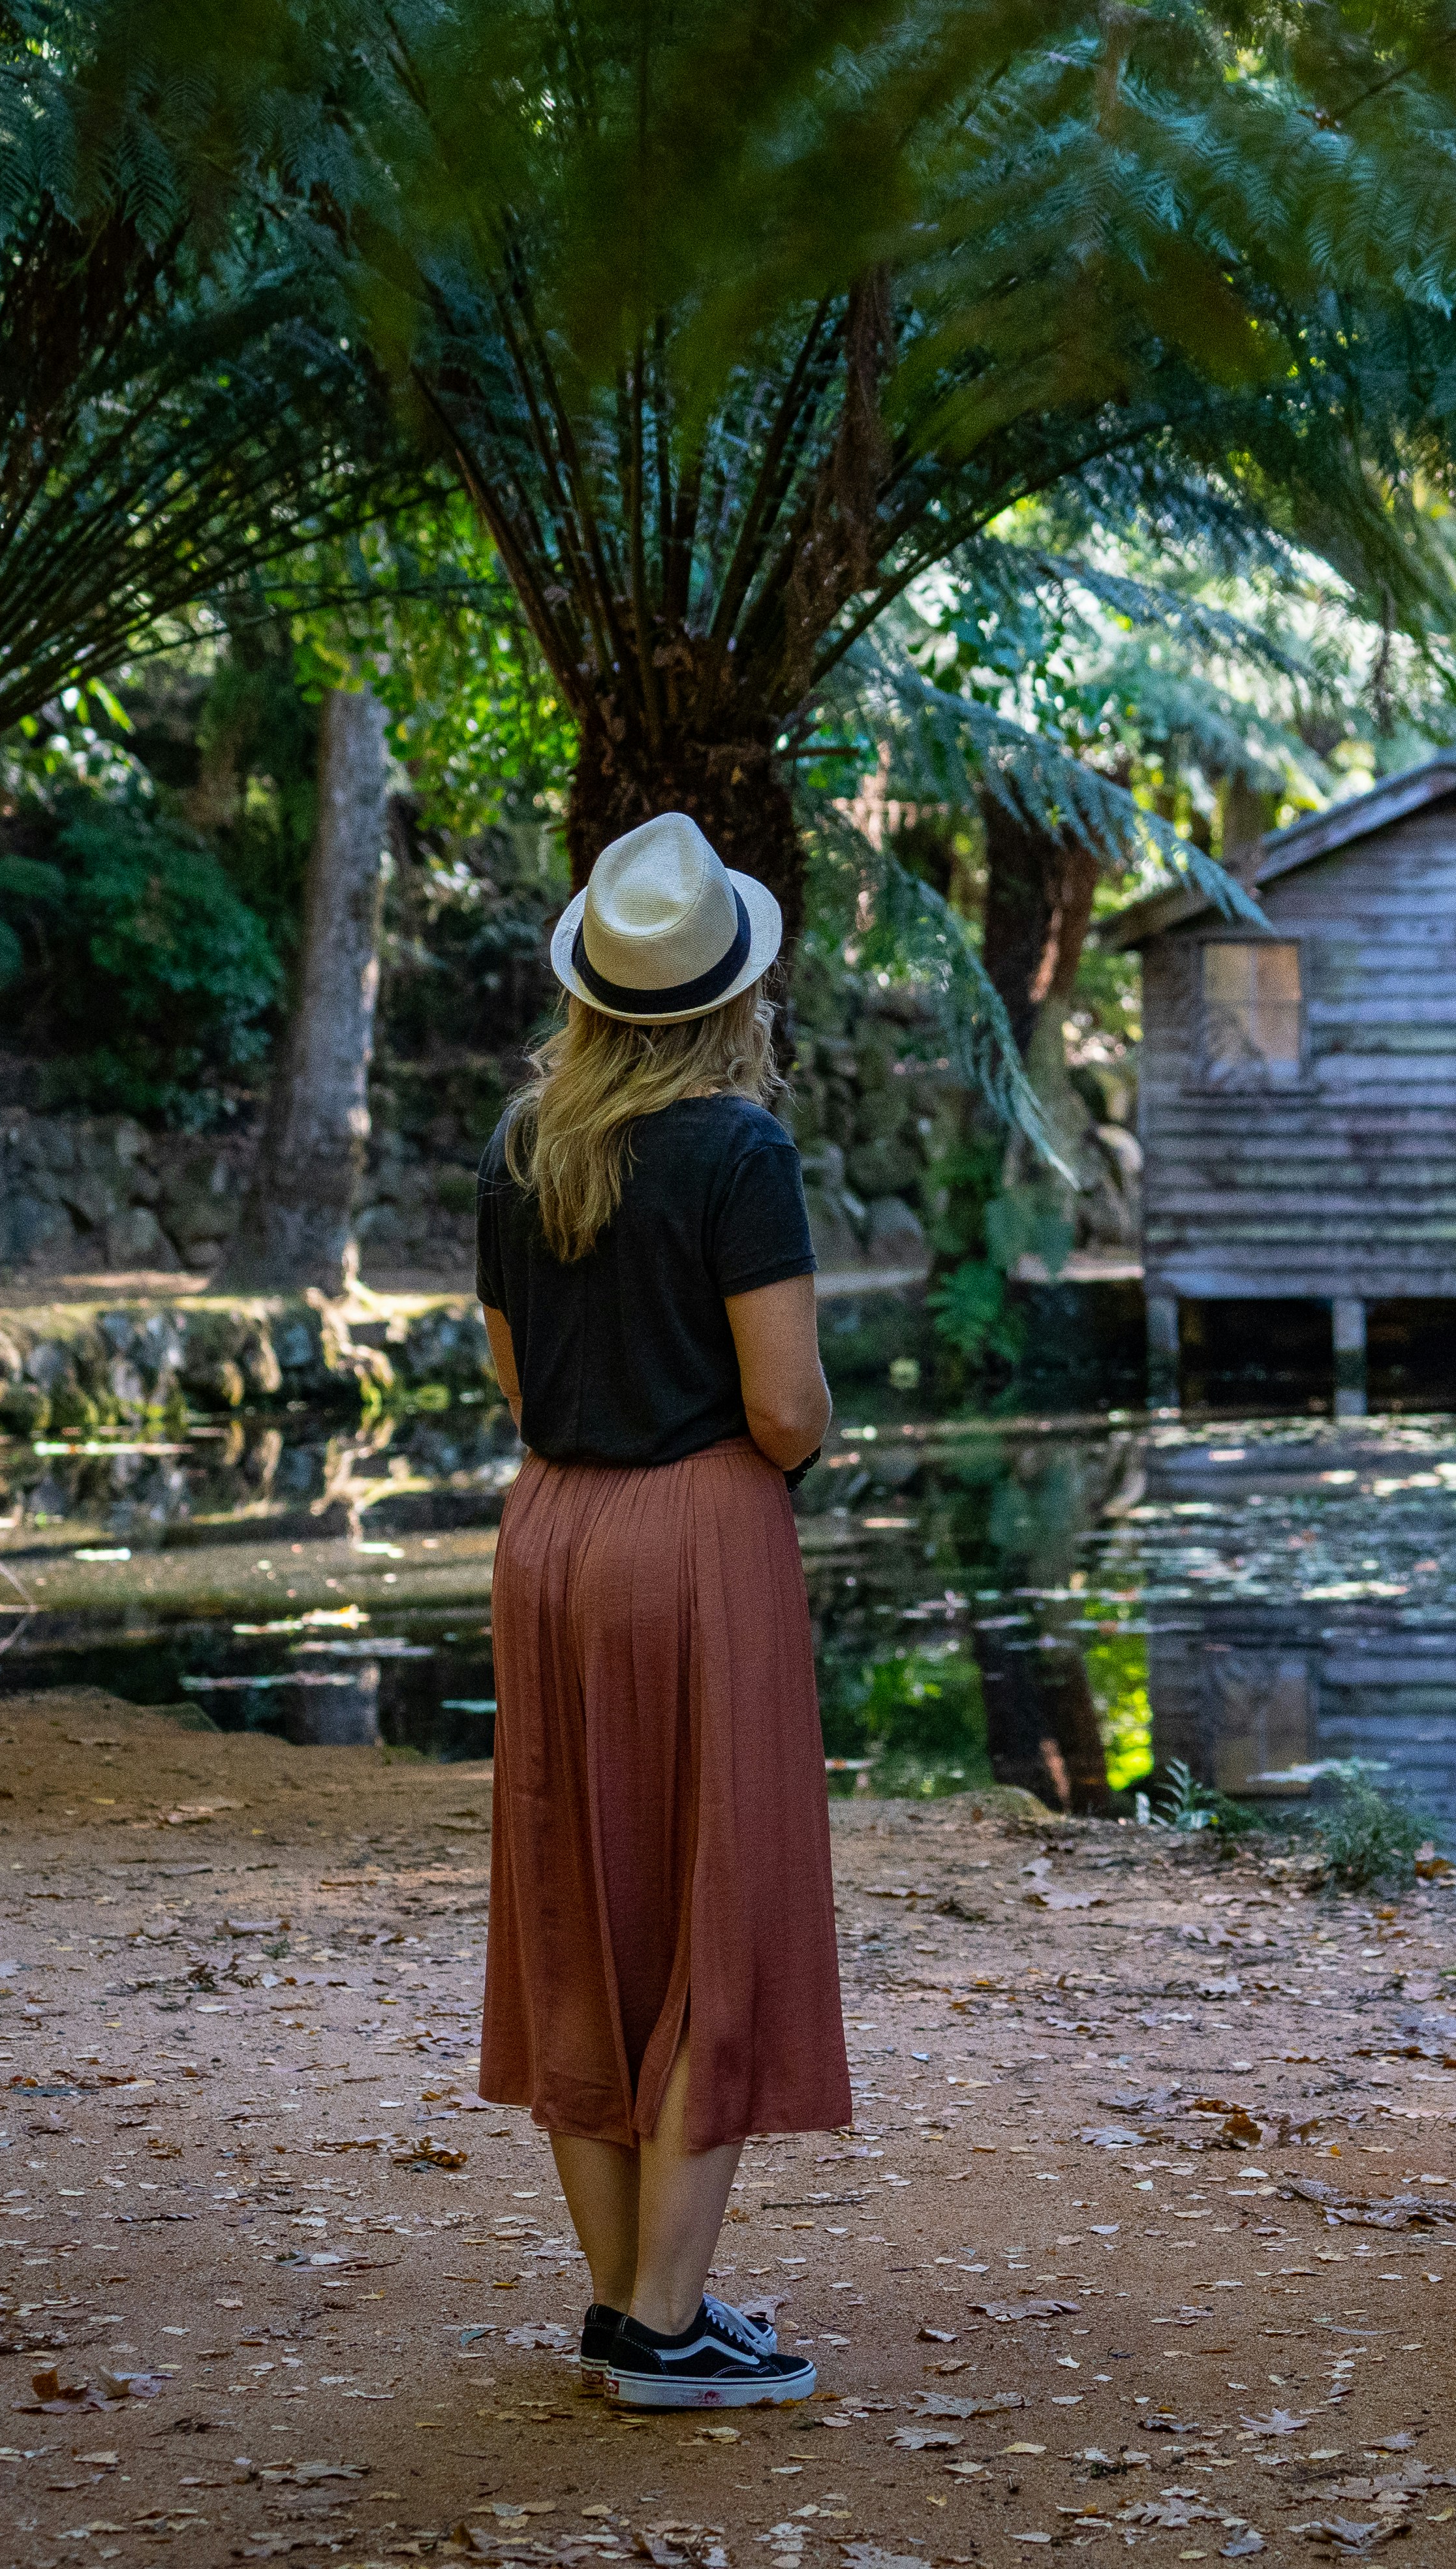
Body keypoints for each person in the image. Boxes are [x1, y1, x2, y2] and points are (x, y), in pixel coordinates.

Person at [472, 809, 848, 2409]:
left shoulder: (525, 1146)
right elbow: (783, 1408)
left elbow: (510, 1374)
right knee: (719, 1905)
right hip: (698, 1533)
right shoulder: (741, 1155)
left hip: (552, 1534)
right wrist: (804, 1418)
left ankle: (630, 2302)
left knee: (581, 1907)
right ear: (728, 999)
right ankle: (669, 2321)